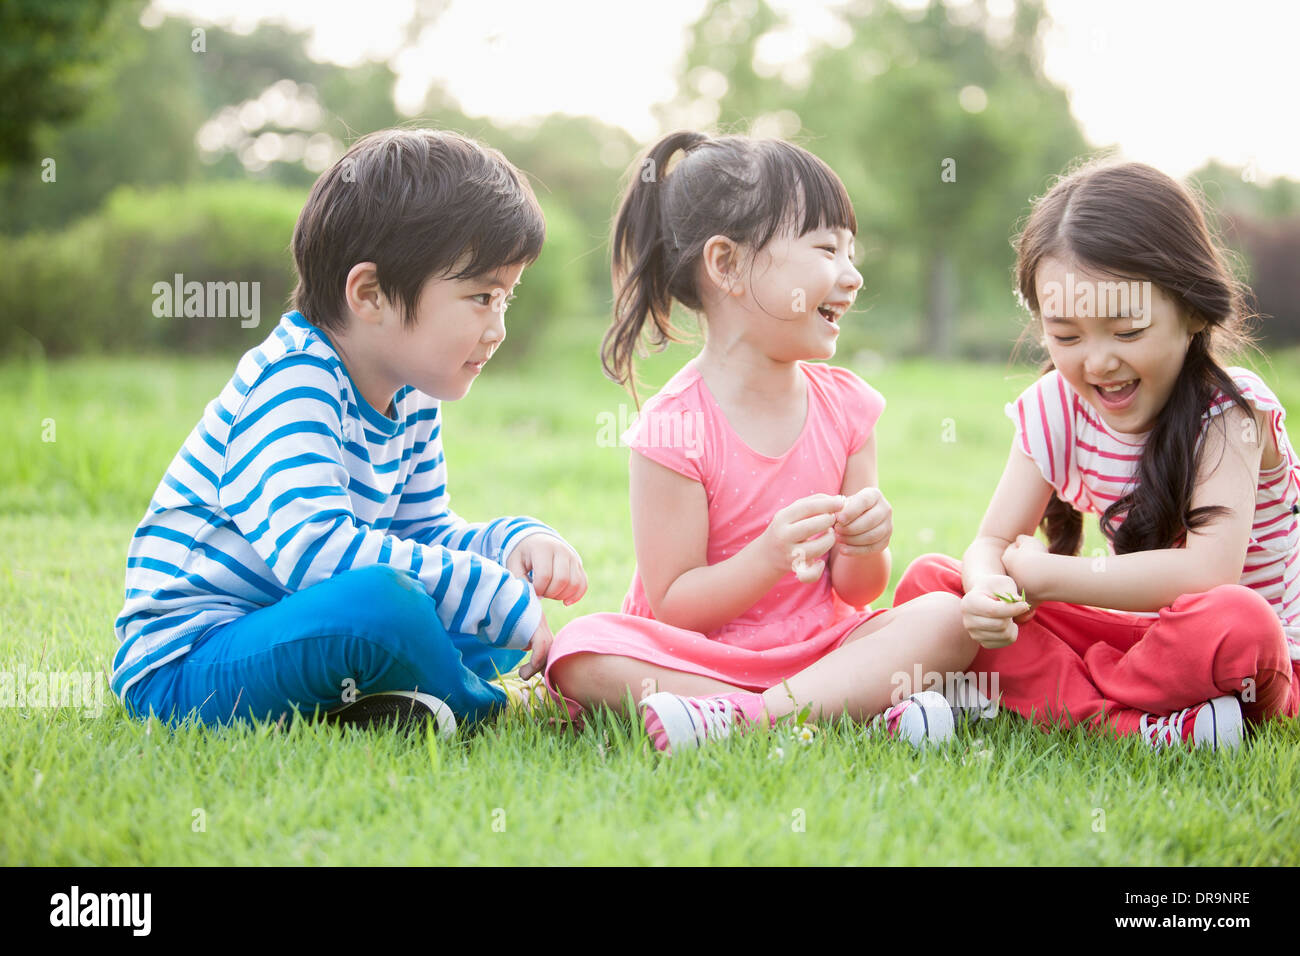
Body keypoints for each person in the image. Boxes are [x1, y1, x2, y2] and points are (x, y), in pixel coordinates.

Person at [112, 128, 585, 735]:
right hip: (187, 666)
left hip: (291, 631)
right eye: (481, 296)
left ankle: (394, 701)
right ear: (371, 294)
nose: (498, 328)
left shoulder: (408, 391)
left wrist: (506, 549)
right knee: (388, 606)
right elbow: (317, 553)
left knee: (461, 618)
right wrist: (491, 595)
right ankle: (480, 708)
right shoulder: (292, 383)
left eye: (507, 300)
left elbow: (423, 532)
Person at [545, 131, 976, 754]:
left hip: (821, 648)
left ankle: (746, 717)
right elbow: (674, 607)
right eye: (827, 249)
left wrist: (868, 544)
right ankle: (847, 708)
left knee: (948, 617)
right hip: (698, 658)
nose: (852, 277)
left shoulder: (848, 407)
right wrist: (767, 557)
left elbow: (858, 592)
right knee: (580, 651)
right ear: (727, 265)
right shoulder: (675, 425)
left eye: (851, 253)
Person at [896, 161, 1300, 751]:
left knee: (1238, 622)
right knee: (932, 587)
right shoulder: (1055, 408)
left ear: (1191, 310)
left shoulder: (1231, 413)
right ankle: (1148, 724)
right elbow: (990, 543)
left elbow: (1208, 575)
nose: (1098, 362)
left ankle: (1055, 698)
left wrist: (1054, 577)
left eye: (1127, 331)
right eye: (1067, 336)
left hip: (1232, 654)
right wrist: (986, 589)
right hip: (1132, 646)